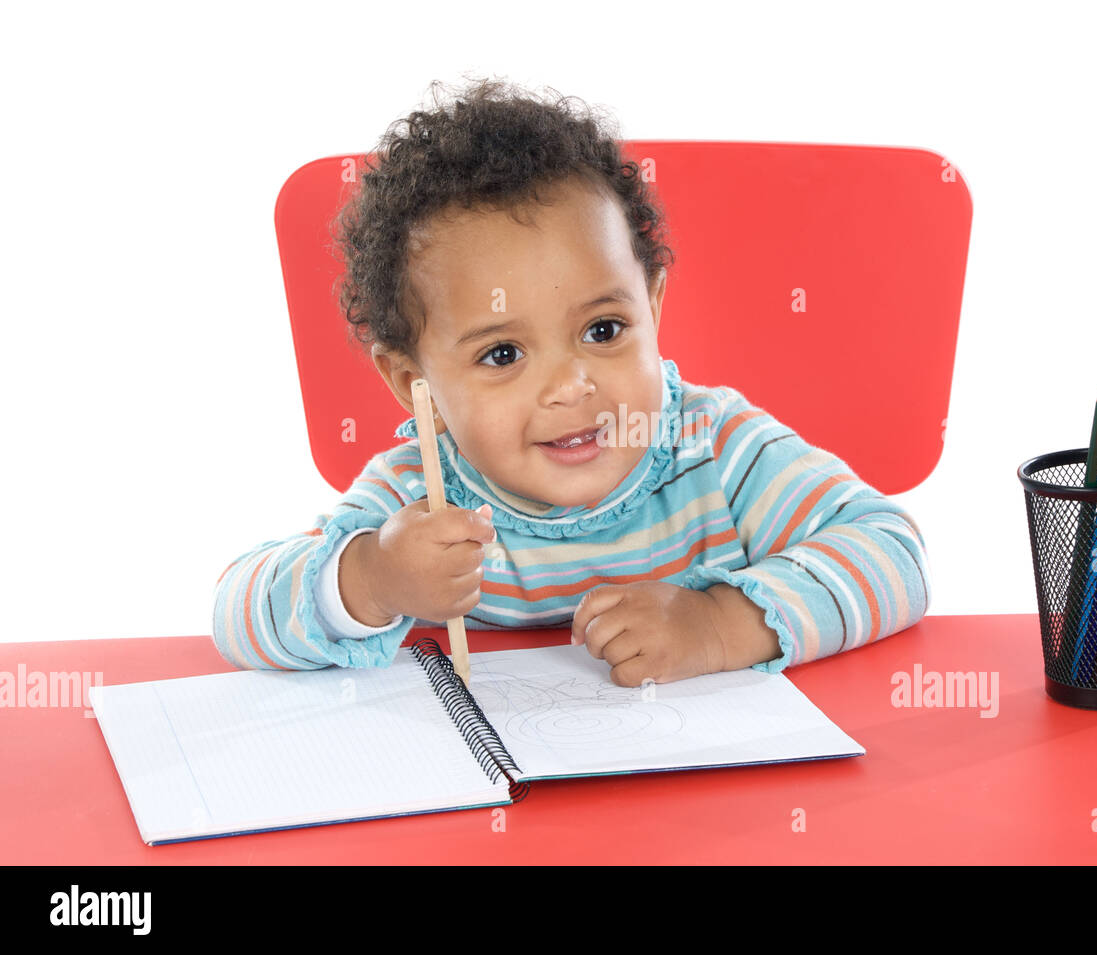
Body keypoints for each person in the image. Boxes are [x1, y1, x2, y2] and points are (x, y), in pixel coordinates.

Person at [212, 76, 932, 686]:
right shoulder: (424, 496)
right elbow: (235, 613)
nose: (572, 386)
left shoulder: (712, 448)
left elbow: (891, 551)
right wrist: (368, 580)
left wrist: (720, 624)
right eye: (502, 354)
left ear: (651, 305)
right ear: (412, 384)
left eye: (603, 330)